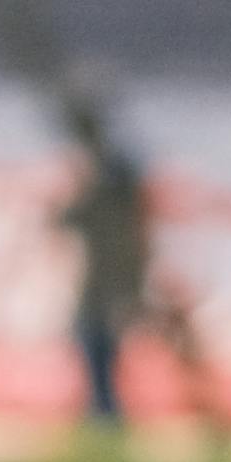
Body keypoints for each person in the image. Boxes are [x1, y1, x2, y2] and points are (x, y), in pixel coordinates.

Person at [54, 95, 158, 432]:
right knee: (95, 344)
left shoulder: (111, 183)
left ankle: (106, 415)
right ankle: (102, 412)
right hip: (107, 277)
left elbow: (73, 216)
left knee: (100, 344)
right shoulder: (108, 181)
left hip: (111, 279)